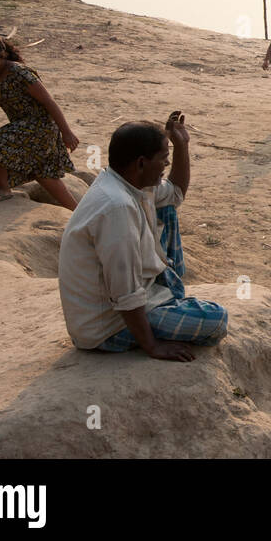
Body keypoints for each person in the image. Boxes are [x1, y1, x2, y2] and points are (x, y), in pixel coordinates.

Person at [59, 116, 227, 359]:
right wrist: (152, 346)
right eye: (163, 160)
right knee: (216, 320)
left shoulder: (129, 182)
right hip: (106, 327)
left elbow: (175, 194)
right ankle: (154, 320)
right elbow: (124, 291)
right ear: (141, 163)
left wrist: (182, 146)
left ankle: (167, 301)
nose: (167, 163)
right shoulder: (116, 207)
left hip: (133, 296)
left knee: (167, 210)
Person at [0, 34, 79, 209]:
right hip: (21, 127)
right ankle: (77, 212)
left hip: (40, 127)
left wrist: (66, 132)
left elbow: (49, 101)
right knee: (41, 172)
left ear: (1, 56)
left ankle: (2, 189)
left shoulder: (20, 73)